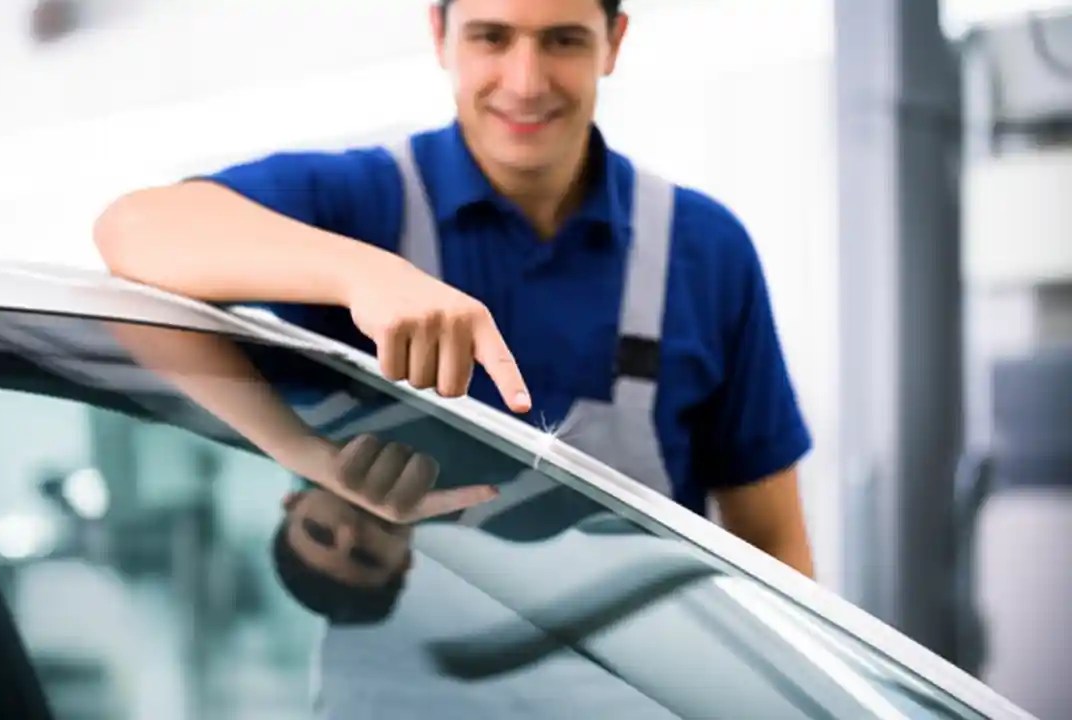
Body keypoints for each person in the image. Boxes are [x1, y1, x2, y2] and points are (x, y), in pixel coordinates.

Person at [95, 0, 815, 577]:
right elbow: (135, 229)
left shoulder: (704, 247)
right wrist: (363, 275)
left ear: (614, 42)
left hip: (634, 688)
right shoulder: (363, 201)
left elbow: (772, 540)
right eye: (492, 37)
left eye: (562, 40)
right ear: (440, 36)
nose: (526, 80)